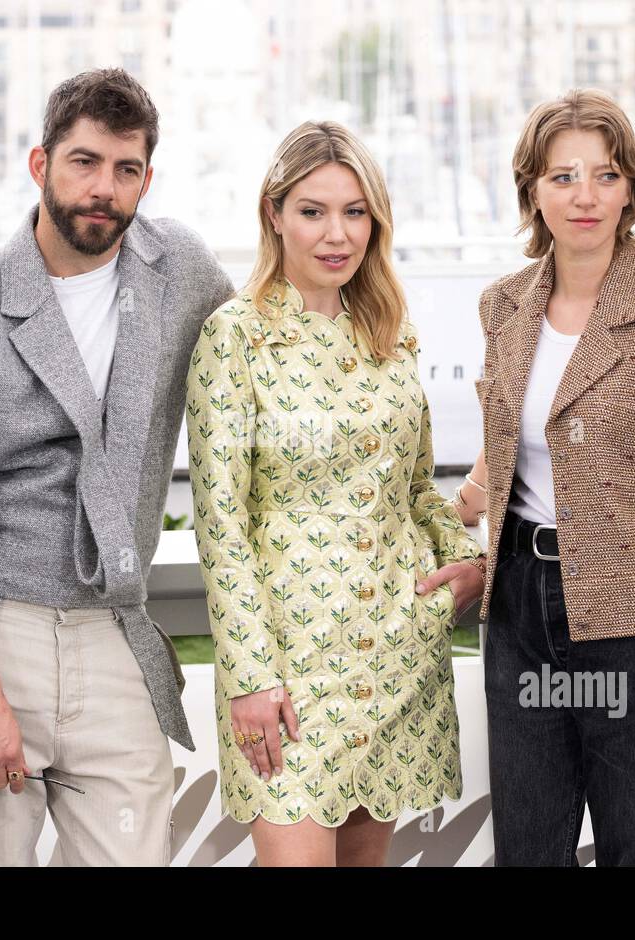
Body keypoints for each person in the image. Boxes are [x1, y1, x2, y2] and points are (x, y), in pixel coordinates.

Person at [0, 68, 233, 866]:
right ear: (39, 166)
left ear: (147, 177)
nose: (102, 188)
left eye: (125, 168)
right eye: (83, 163)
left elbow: (262, 359)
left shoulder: (180, 269)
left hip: (115, 627)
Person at [186, 121, 485, 867]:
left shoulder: (389, 334)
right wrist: (251, 677)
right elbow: (222, 525)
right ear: (273, 214)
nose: (336, 233)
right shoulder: (235, 337)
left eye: (355, 212)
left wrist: (469, 562)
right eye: (313, 210)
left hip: (392, 651)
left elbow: (416, 491)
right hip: (283, 671)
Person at [475, 89, 635, 865]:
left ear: (632, 191)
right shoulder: (502, 308)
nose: (585, 194)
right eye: (561, 177)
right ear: (532, 193)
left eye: (605, 174)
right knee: (528, 851)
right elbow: (500, 464)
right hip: (519, 610)